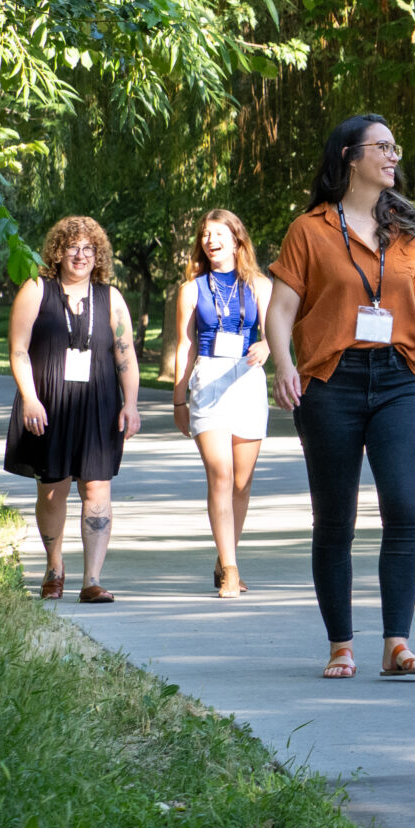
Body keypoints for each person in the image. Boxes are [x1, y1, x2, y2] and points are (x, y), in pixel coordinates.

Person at [263, 114, 415, 681]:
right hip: (331, 382)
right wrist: (285, 366)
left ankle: (397, 644)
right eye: (382, 147)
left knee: (406, 510)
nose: (394, 156)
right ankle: (341, 644)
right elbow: (281, 311)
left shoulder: (408, 229)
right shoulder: (309, 230)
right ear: (349, 157)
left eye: (396, 146)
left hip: (399, 380)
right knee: (335, 521)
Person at [3, 216, 143, 603]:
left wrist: (131, 404)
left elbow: (125, 355)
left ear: (98, 254)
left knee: (97, 486)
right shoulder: (36, 289)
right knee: (53, 489)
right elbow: (18, 350)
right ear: (58, 251)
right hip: (48, 402)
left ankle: (92, 580)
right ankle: (54, 566)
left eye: (88, 248)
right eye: (72, 247)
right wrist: (29, 397)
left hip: (99, 404)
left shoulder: (110, 298)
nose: (80, 255)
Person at [166, 210, 273, 597]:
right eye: (205, 235)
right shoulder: (192, 289)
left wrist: (267, 345)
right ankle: (230, 569)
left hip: (247, 380)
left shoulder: (261, 285)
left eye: (218, 234)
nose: (210, 240)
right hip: (208, 380)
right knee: (221, 476)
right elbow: (185, 344)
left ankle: (224, 556)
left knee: (242, 482)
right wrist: (180, 401)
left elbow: (277, 334)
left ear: (237, 239)